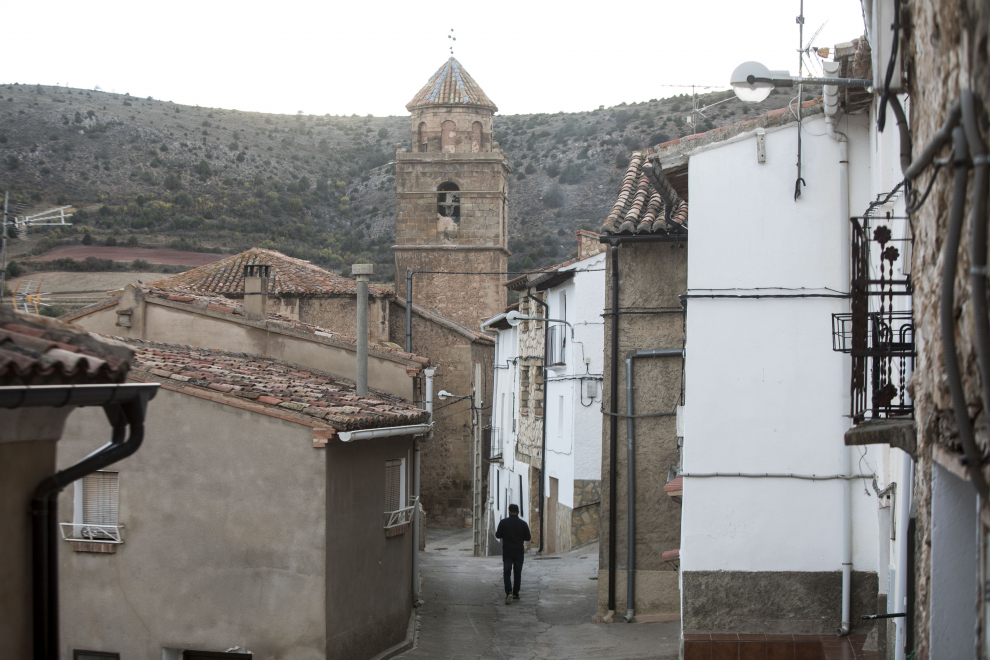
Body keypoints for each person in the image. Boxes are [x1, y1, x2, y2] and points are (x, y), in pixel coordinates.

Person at [494, 503, 531, 605]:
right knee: (517, 573)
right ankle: (515, 593)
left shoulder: (504, 522)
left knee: (507, 572)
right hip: (519, 550)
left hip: (507, 550)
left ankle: (508, 591)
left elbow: (498, 535)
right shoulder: (523, 524)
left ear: (509, 511)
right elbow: (528, 537)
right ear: (518, 512)